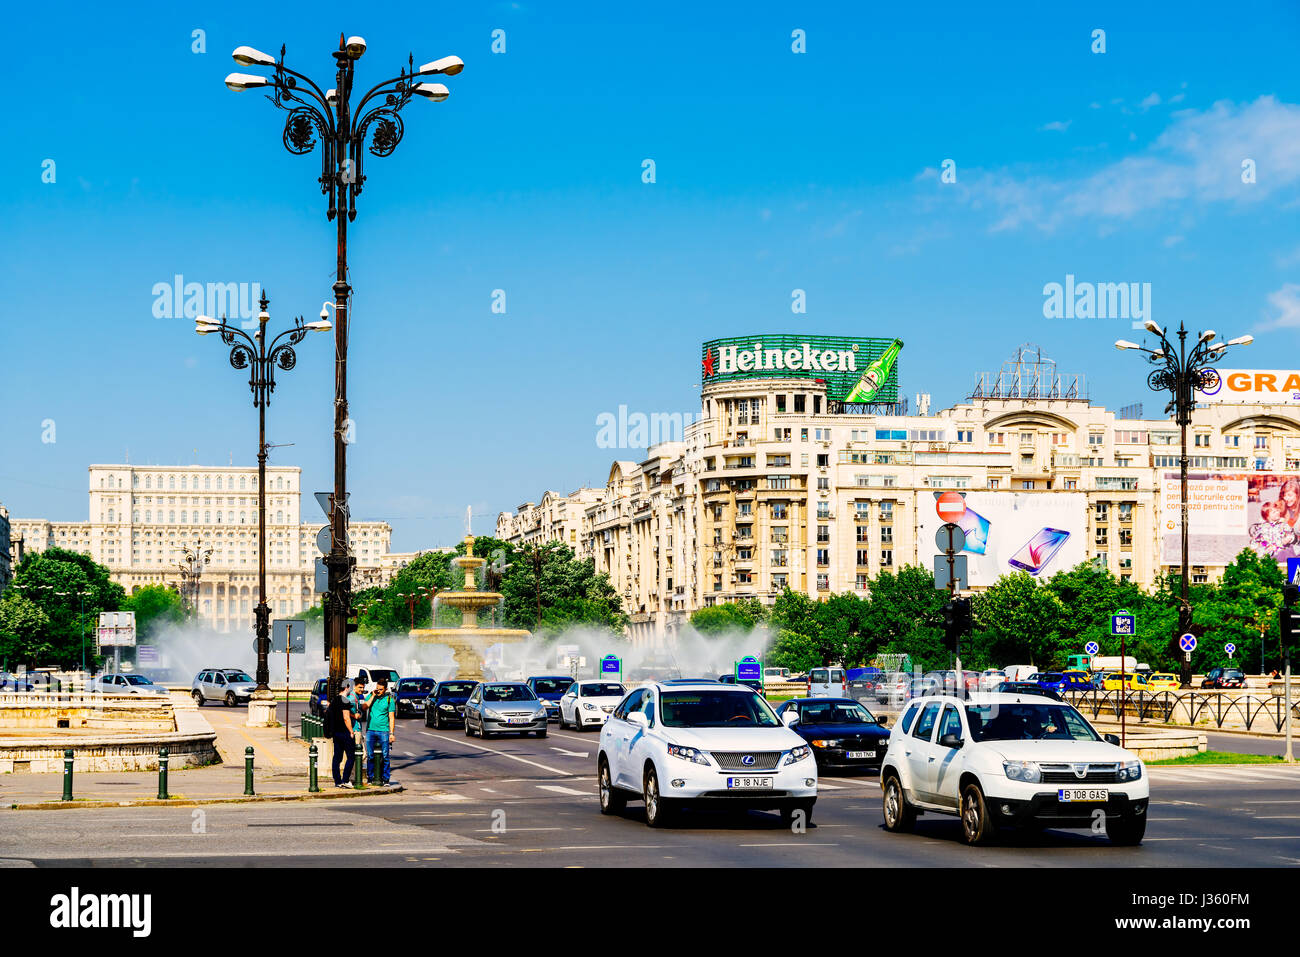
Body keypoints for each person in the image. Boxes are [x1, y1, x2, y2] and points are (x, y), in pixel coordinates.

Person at [365, 676, 398, 786]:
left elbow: (391, 717)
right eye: (377, 688)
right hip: (370, 730)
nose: (378, 690)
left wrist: (392, 734)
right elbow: (364, 707)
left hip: (383, 731)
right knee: (370, 755)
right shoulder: (371, 696)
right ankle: (370, 777)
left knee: (385, 756)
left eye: (380, 689)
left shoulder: (389, 700)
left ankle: (385, 778)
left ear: (385, 690)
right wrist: (373, 695)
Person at [325, 680, 356, 788]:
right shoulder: (345, 701)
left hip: (336, 732)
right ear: (347, 687)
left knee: (337, 757)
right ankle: (346, 779)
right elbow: (346, 718)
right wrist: (351, 731)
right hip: (344, 732)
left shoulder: (334, 700)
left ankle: (337, 781)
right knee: (351, 757)